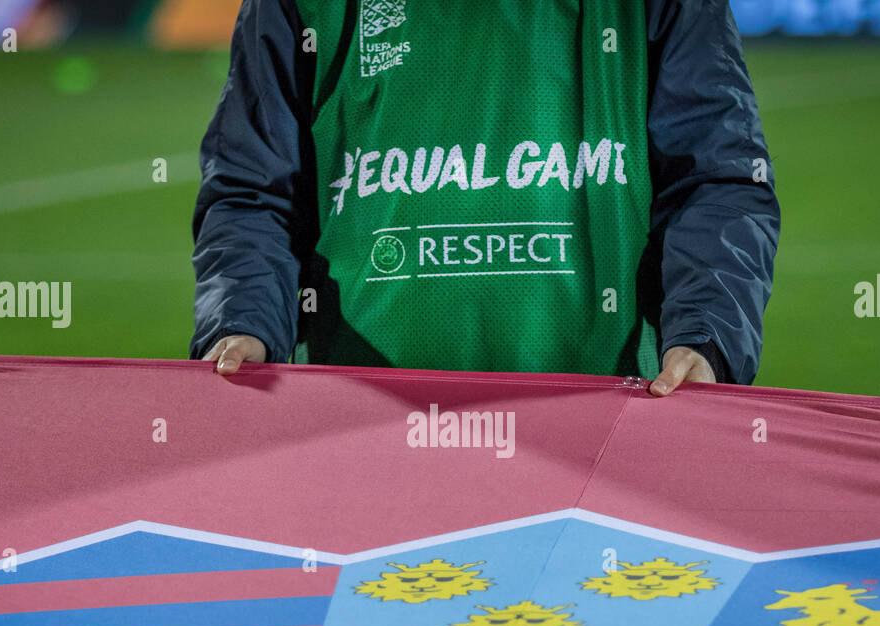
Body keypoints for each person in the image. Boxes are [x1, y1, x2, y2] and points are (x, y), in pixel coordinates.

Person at [191, 0, 779, 397]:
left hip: (610, 419)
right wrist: (243, 320)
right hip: (361, 420)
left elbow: (717, 180)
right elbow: (251, 190)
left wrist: (707, 338)